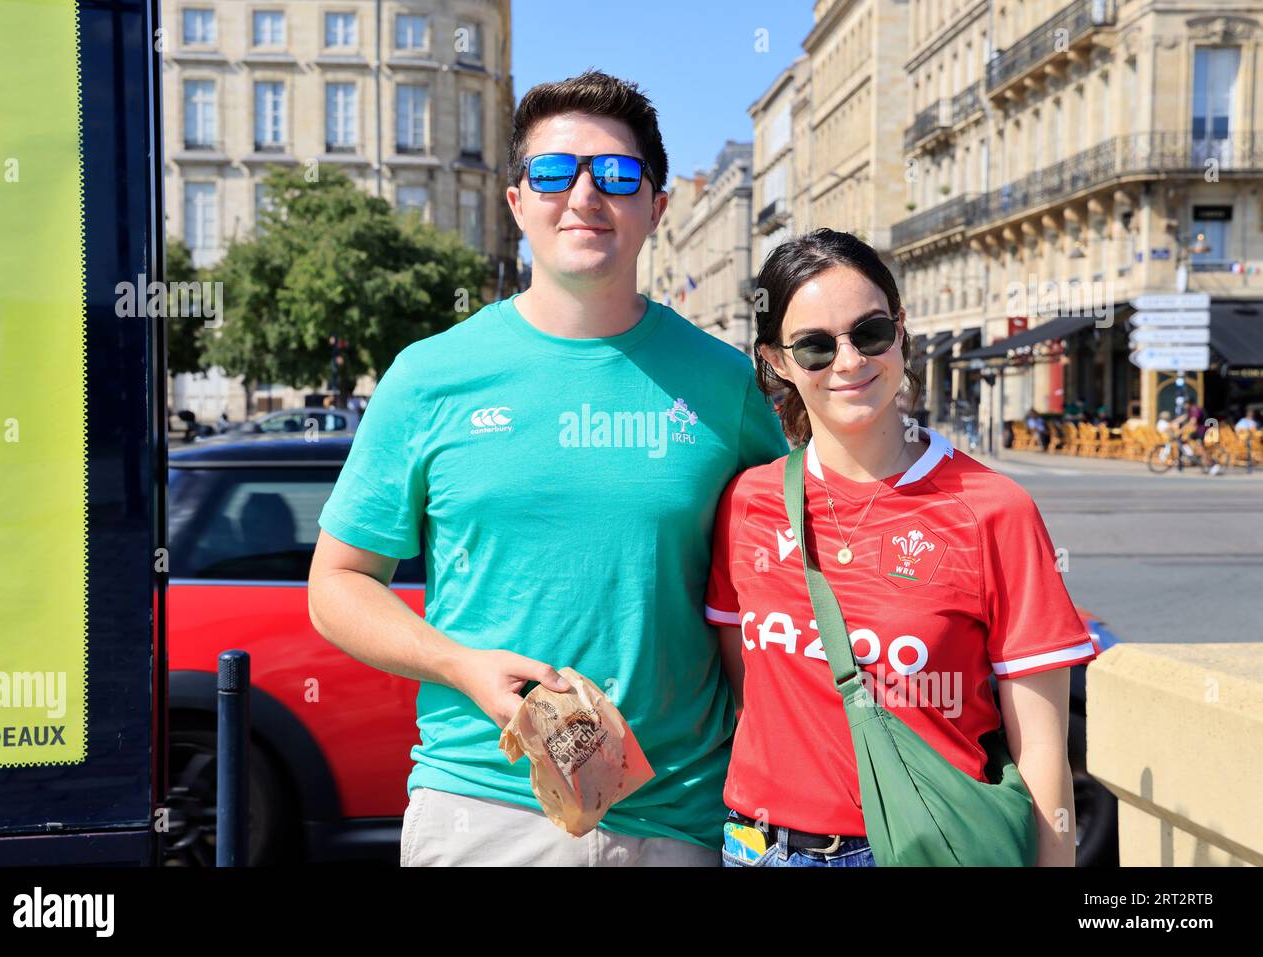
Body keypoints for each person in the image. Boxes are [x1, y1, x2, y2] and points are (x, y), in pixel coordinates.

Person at [307, 70, 789, 867]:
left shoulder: (723, 383)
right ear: (517, 203)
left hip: (679, 819)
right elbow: (337, 583)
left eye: (619, 175)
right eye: (555, 173)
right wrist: (459, 665)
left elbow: (795, 565)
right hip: (484, 807)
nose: (586, 194)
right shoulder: (429, 376)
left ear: (656, 208)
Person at [705, 229, 1098, 867]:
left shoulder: (994, 509)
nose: (850, 362)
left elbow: (1044, 753)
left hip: (922, 849)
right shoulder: (748, 503)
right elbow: (748, 696)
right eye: (813, 347)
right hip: (756, 848)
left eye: (870, 333)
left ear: (901, 330)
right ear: (776, 361)